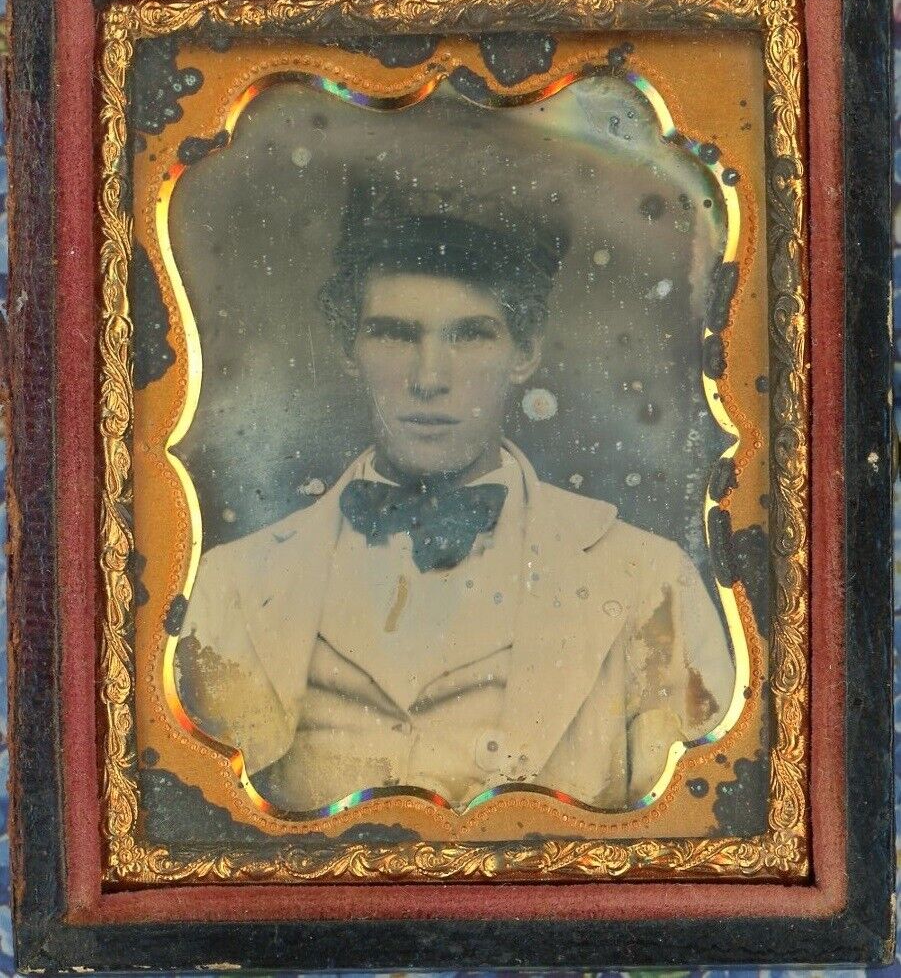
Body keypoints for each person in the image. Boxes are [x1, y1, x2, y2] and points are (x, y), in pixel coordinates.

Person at [175, 186, 735, 815]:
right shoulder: (232, 583)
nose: (430, 379)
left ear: (525, 352)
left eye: (470, 336)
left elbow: (692, 833)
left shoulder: (647, 582)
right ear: (349, 348)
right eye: (394, 335)